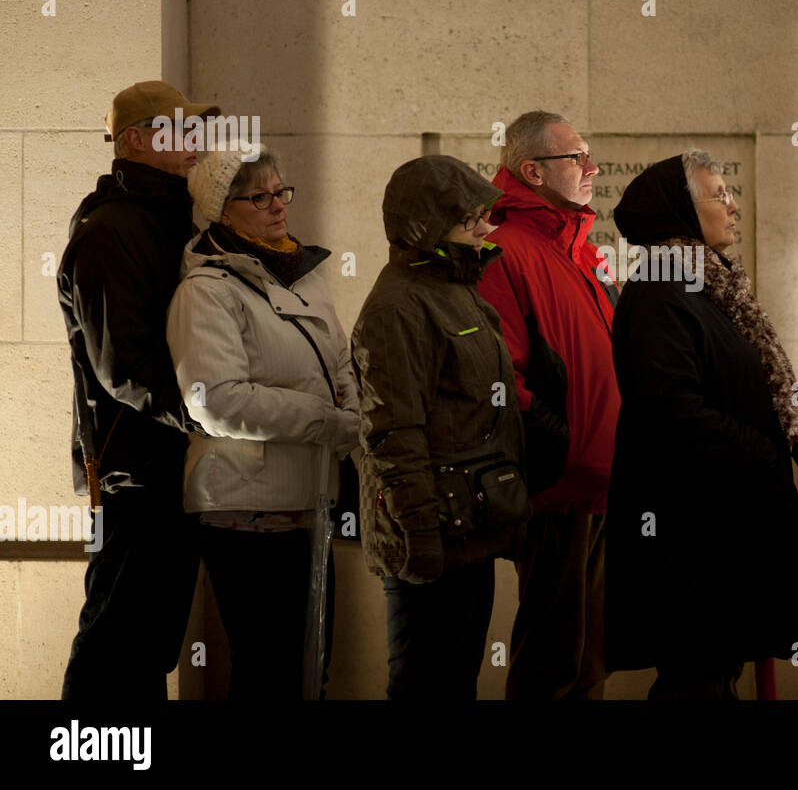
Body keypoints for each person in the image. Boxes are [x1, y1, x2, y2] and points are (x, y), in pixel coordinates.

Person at [605, 150, 798, 699]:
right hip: (692, 534)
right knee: (695, 678)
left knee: (714, 674)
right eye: (719, 194)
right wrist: (763, 448)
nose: (734, 205)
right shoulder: (660, 290)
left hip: (727, 523)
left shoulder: (709, 286)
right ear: (679, 209)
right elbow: (672, 408)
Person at [166, 147, 360, 698]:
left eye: (281, 192)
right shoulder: (206, 290)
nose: (278, 206)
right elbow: (215, 400)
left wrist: (353, 409)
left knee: (310, 667)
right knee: (269, 671)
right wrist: (325, 419)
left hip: (311, 498)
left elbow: (338, 358)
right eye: (259, 197)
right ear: (222, 211)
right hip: (246, 507)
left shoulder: (303, 274)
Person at [58, 80, 219, 700]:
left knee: (148, 648)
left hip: (167, 464)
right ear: (136, 141)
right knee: (114, 647)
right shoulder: (110, 229)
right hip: (130, 475)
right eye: (180, 130)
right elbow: (123, 368)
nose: (194, 145)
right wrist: (211, 418)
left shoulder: (171, 218)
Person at [351, 155, 527, 700]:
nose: (484, 230)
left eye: (481, 216)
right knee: (424, 686)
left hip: (467, 528)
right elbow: (394, 431)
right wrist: (420, 533)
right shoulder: (397, 306)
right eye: (468, 220)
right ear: (426, 227)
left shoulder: (455, 287)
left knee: (456, 683)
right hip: (427, 535)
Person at [476, 111, 620, 700]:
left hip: (600, 480)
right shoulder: (503, 249)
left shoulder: (576, 247)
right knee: (552, 663)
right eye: (576, 157)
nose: (592, 167)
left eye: (588, 155)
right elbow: (499, 377)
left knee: (591, 660)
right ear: (532, 170)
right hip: (555, 486)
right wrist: (557, 446)